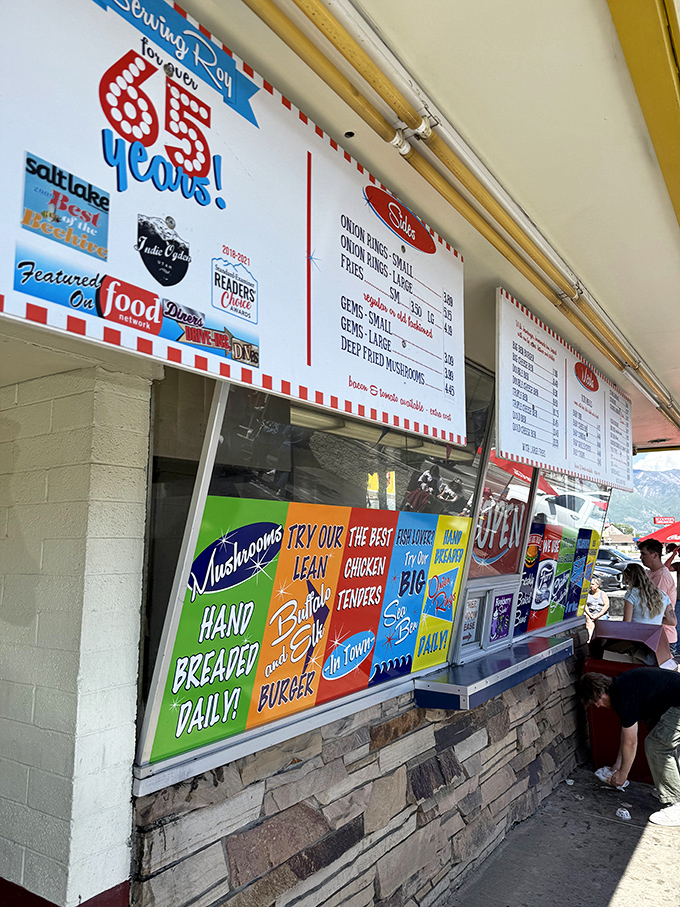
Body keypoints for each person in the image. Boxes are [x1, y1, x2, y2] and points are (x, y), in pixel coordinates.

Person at [579, 669, 680, 825]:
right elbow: (626, 735)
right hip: (671, 703)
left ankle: (676, 802)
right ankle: (669, 787)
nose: (597, 706)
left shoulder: (622, 697)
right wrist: (617, 767)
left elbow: (631, 742)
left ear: (600, 693)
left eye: (595, 701)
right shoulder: (621, 687)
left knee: (656, 746)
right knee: (662, 739)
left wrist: (623, 775)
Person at [638, 538, 678, 644]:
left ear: (655, 555)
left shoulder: (661, 577)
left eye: (643, 554)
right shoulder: (651, 573)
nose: (641, 557)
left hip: (662, 636)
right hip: (654, 634)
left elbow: (654, 608)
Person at [665, 543, 680, 655]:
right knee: (677, 625)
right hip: (679, 600)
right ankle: (678, 649)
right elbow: (666, 567)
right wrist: (673, 554)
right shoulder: (679, 565)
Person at [584, 575, 609, 641]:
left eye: (592, 584)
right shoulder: (588, 594)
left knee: (600, 622)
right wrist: (589, 614)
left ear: (597, 585)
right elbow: (585, 605)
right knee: (589, 622)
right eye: (590, 584)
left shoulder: (602, 594)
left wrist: (599, 615)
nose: (590, 586)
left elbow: (606, 605)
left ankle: (601, 639)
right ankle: (590, 639)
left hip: (600, 614)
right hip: (591, 613)